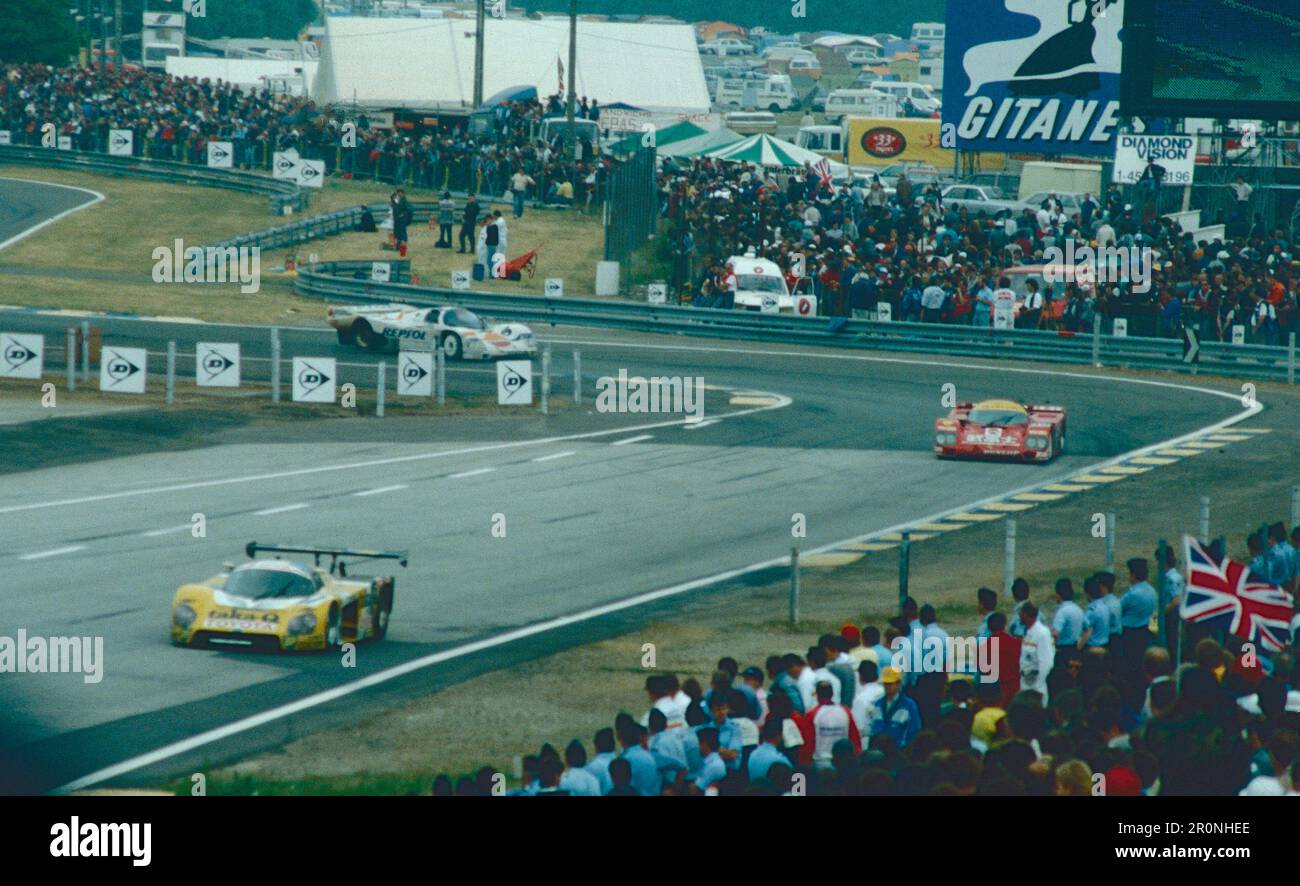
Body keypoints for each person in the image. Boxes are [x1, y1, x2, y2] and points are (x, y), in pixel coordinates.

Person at [871, 666, 920, 748]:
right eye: (885, 683)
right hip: (879, 750)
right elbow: (872, 727)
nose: (887, 686)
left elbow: (913, 731)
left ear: (898, 684)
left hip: (899, 751)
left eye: (890, 683)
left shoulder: (909, 706)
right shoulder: (877, 704)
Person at [1019, 602, 1055, 701]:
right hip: (1025, 681)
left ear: (1026, 615)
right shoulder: (1028, 632)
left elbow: (1047, 662)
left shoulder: (1042, 633)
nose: (1019, 617)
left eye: (1020, 614)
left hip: (1036, 684)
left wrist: (1038, 684)